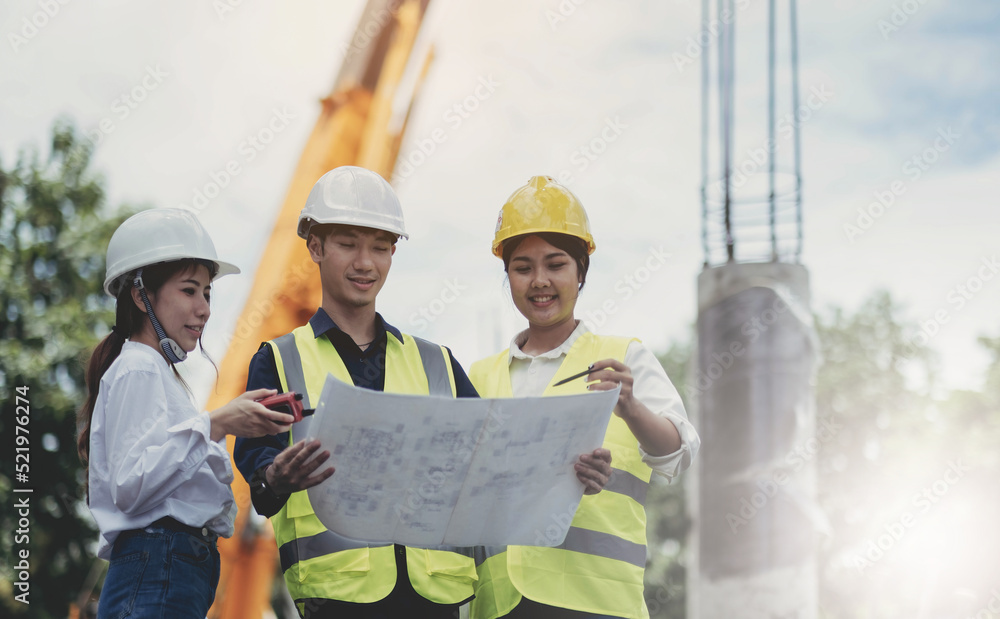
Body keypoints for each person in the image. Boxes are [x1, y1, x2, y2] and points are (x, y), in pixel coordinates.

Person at [235, 166, 613, 618]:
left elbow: (497, 463)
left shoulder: (437, 364)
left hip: (438, 598)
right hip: (336, 599)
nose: (365, 263)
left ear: (394, 253)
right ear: (315, 246)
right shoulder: (279, 361)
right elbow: (259, 478)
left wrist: (569, 473)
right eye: (348, 244)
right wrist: (276, 476)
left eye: (380, 247)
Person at [469, 176, 701, 619]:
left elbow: (677, 454)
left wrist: (630, 408)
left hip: (598, 603)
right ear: (508, 277)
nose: (540, 281)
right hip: (499, 604)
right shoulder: (479, 378)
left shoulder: (624, 357)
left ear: (581, 271)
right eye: (522, 268)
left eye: (555, 265)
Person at [77, 208, 296, 619]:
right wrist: (218, 423)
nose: (204, 309)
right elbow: (130, 483)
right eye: (190, 290)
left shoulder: (155, 373)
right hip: (159, 561)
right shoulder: (138, 367)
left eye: (208, 293)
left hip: (169, 565)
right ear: (141, 296)